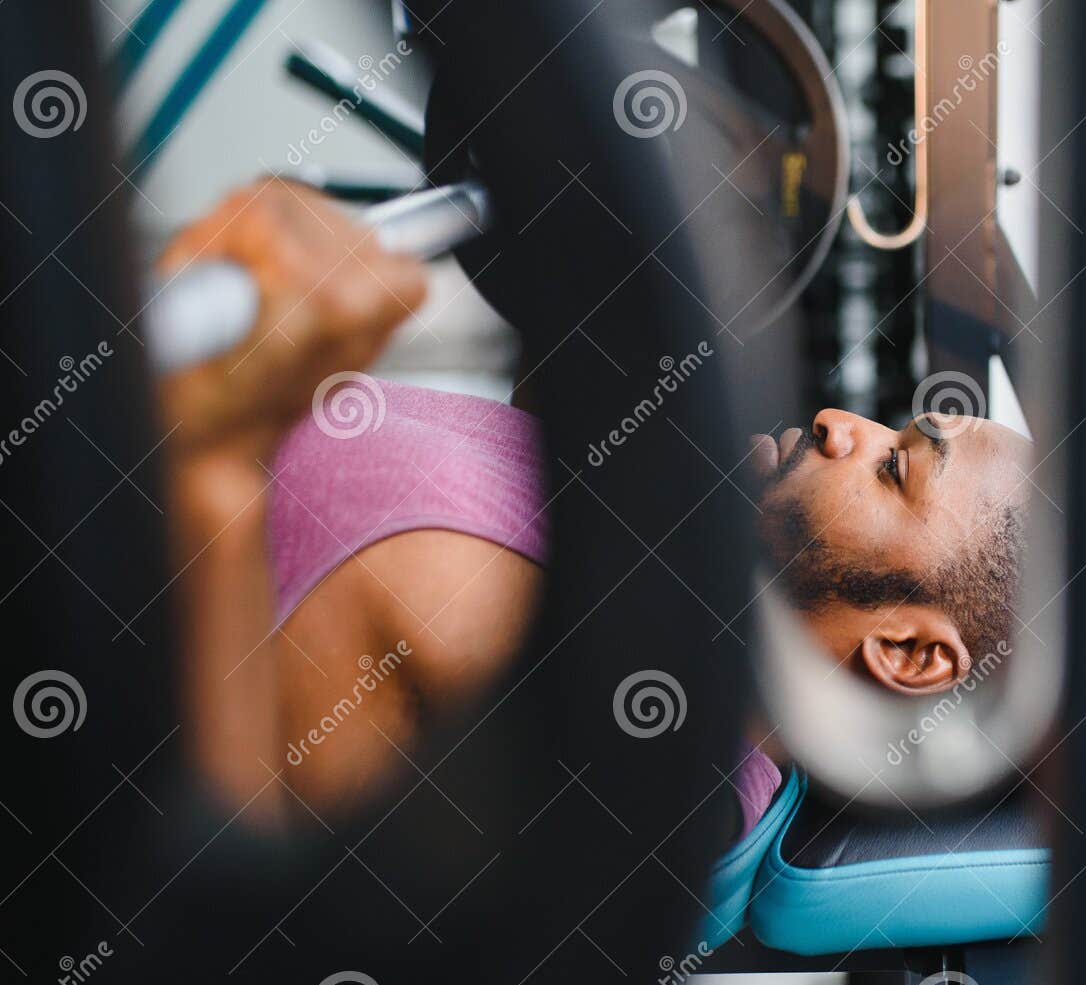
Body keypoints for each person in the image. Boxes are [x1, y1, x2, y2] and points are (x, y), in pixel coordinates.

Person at [158, 180, 1030, 826]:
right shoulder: (654, 617)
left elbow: (229, 916)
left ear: (911, 654)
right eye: (891, 431)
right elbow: (544, 453)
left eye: (893, 471)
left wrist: (214, 467)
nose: (843, 424)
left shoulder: (626, 759)